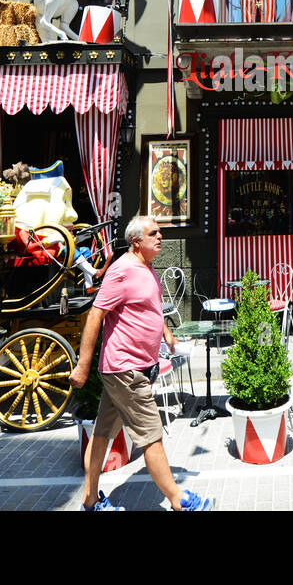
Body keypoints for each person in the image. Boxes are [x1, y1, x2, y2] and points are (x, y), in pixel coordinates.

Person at [70, 215, 212, 511]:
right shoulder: (121, 270)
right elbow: (96, 315)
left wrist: (170, 340)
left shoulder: (146, 267)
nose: (160, 237)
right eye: (153, 233)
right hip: (126, 369)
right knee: (151, 436)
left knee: (100, 434)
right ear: (136, 241)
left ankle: (90, 500)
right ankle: (178, 500)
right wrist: (83, 365)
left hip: (130, 367)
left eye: (159, 233)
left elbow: (152, 309)